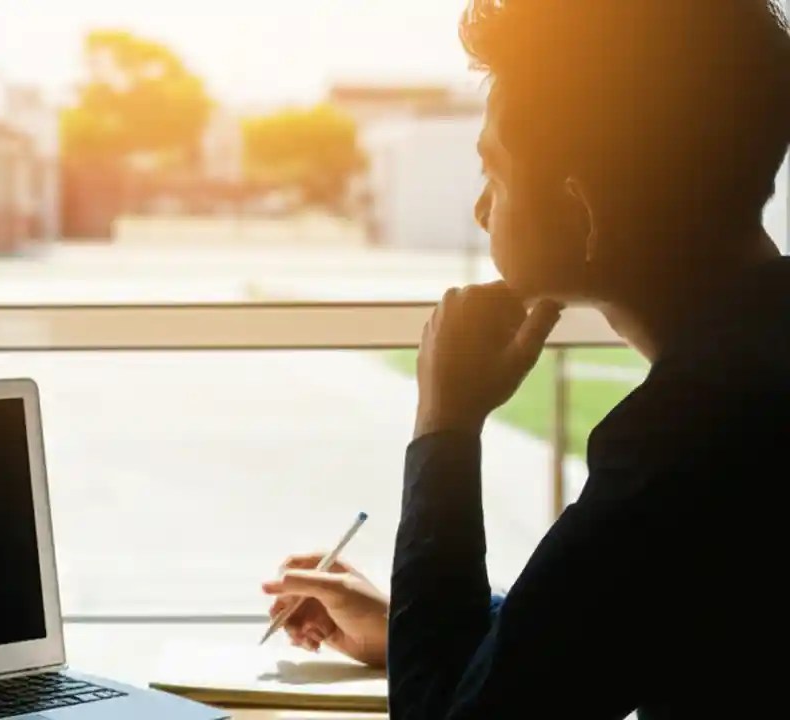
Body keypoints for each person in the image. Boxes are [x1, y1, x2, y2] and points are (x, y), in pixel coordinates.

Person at [261, 1, 790, 717]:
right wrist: (413, 629)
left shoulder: (688, 436)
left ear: (581, 209)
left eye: (497, 175)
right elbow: (625, 623)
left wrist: (445, 424)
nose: (483, 210)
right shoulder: (755, 366)